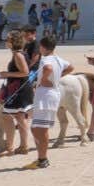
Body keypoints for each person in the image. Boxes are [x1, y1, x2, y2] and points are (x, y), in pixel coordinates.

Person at [27, 35, 71, 169]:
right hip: (52, 95)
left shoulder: (45, 59)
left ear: (42, 47)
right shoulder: (58, 59)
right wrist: (57, 77)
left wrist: (44, 80)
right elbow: (70, 67)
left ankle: (43, 159)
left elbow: (48, 69)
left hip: (45, 95)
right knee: (36, 128)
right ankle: (42, 157)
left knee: (40, 129)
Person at [0, 30, 33, 155]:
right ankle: (22, 146)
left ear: (13, 42)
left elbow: (25, 72)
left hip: (18, 89)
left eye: (8, 39)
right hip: (22, 88)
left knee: (8, 117)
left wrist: (6, 74)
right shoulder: (20, 53)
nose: (6, 42)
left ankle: (10, 148)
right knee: (20, 117)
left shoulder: (18, 55)